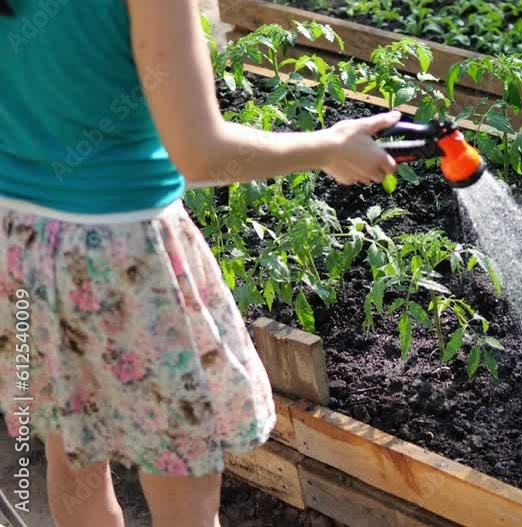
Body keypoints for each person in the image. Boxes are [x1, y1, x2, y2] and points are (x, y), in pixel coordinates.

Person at [0, 1, 401, 525]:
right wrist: (329, 147)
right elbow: (200, 152)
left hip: (18, 240)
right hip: (122, 255)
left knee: (73, 453)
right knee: (181, 479)